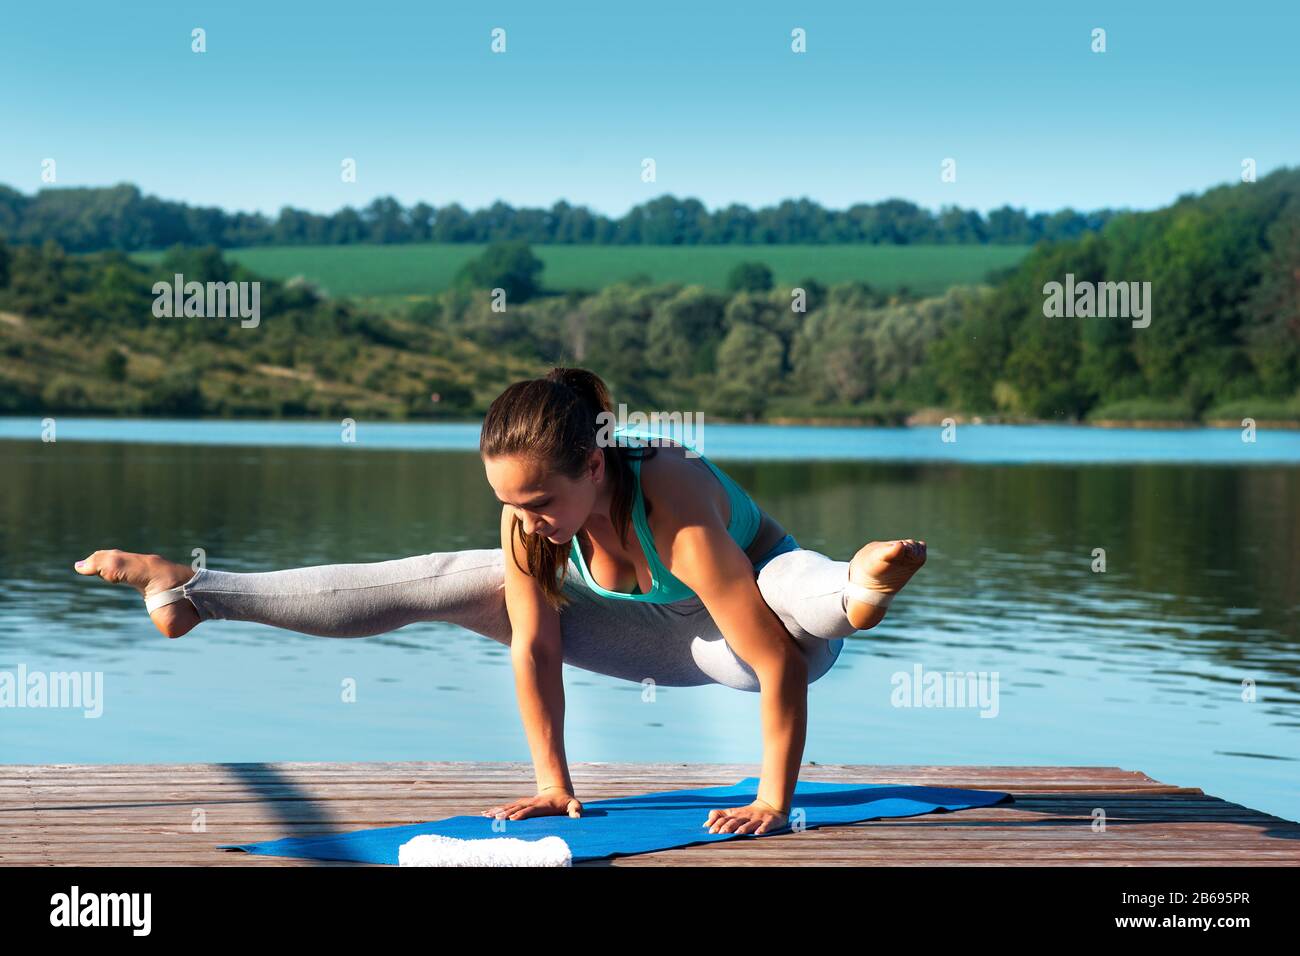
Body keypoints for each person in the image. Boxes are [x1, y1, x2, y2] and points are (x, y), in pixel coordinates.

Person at [74, 367, 926, 837]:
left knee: (784, 591)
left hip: (775, 639)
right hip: (667, 640)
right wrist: (554, 784)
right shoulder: (532, 520)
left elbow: (777, 666)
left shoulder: (670, 498)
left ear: (594, 467)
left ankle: (857, 587)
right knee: (456, 575)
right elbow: (535, 649)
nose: (529, 519)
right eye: (511, 502)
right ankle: (195, 591)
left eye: (541, 502)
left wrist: (775, 802)